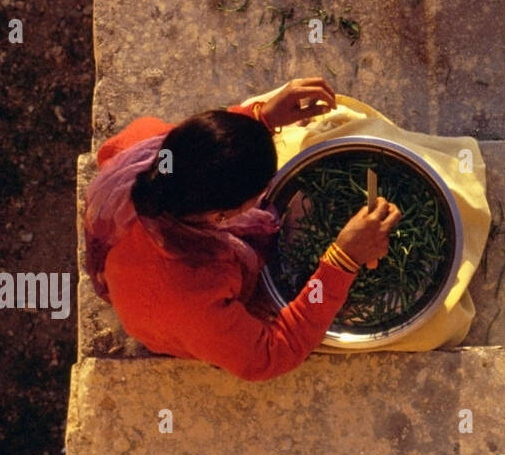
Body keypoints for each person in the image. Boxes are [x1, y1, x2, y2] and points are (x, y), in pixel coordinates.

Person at [83, 77, 402, 381]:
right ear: (222, 216)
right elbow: (270, 355)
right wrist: (342, 260)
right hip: (175, 322)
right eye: (256, 196)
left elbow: (207, 152)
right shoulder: (193, 297)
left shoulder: (143, 143)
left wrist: (259, 116)